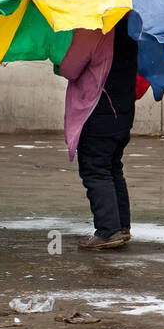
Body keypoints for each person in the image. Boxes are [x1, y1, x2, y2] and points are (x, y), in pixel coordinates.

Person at [61, 16, 139, 250]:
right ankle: (120, 226)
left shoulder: (94, 29)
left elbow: (70, 68)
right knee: (112, 167)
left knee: (95, 169)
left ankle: (108, 231)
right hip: (122, 112)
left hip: (99, 112)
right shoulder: (130, 28)